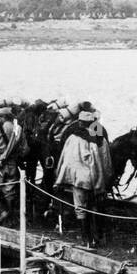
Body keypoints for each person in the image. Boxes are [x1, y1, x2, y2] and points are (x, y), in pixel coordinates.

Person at [54, 102, 113, 247]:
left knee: (80, 208)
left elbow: (66, 160)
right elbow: (106, 163)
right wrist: (104, 180)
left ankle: (85, 239)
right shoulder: (101, 140)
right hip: (96, 181)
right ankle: (97, 237)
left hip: (80, 180)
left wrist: (60, 179)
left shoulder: (73, 139)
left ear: (80, 123)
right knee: (95, 207)